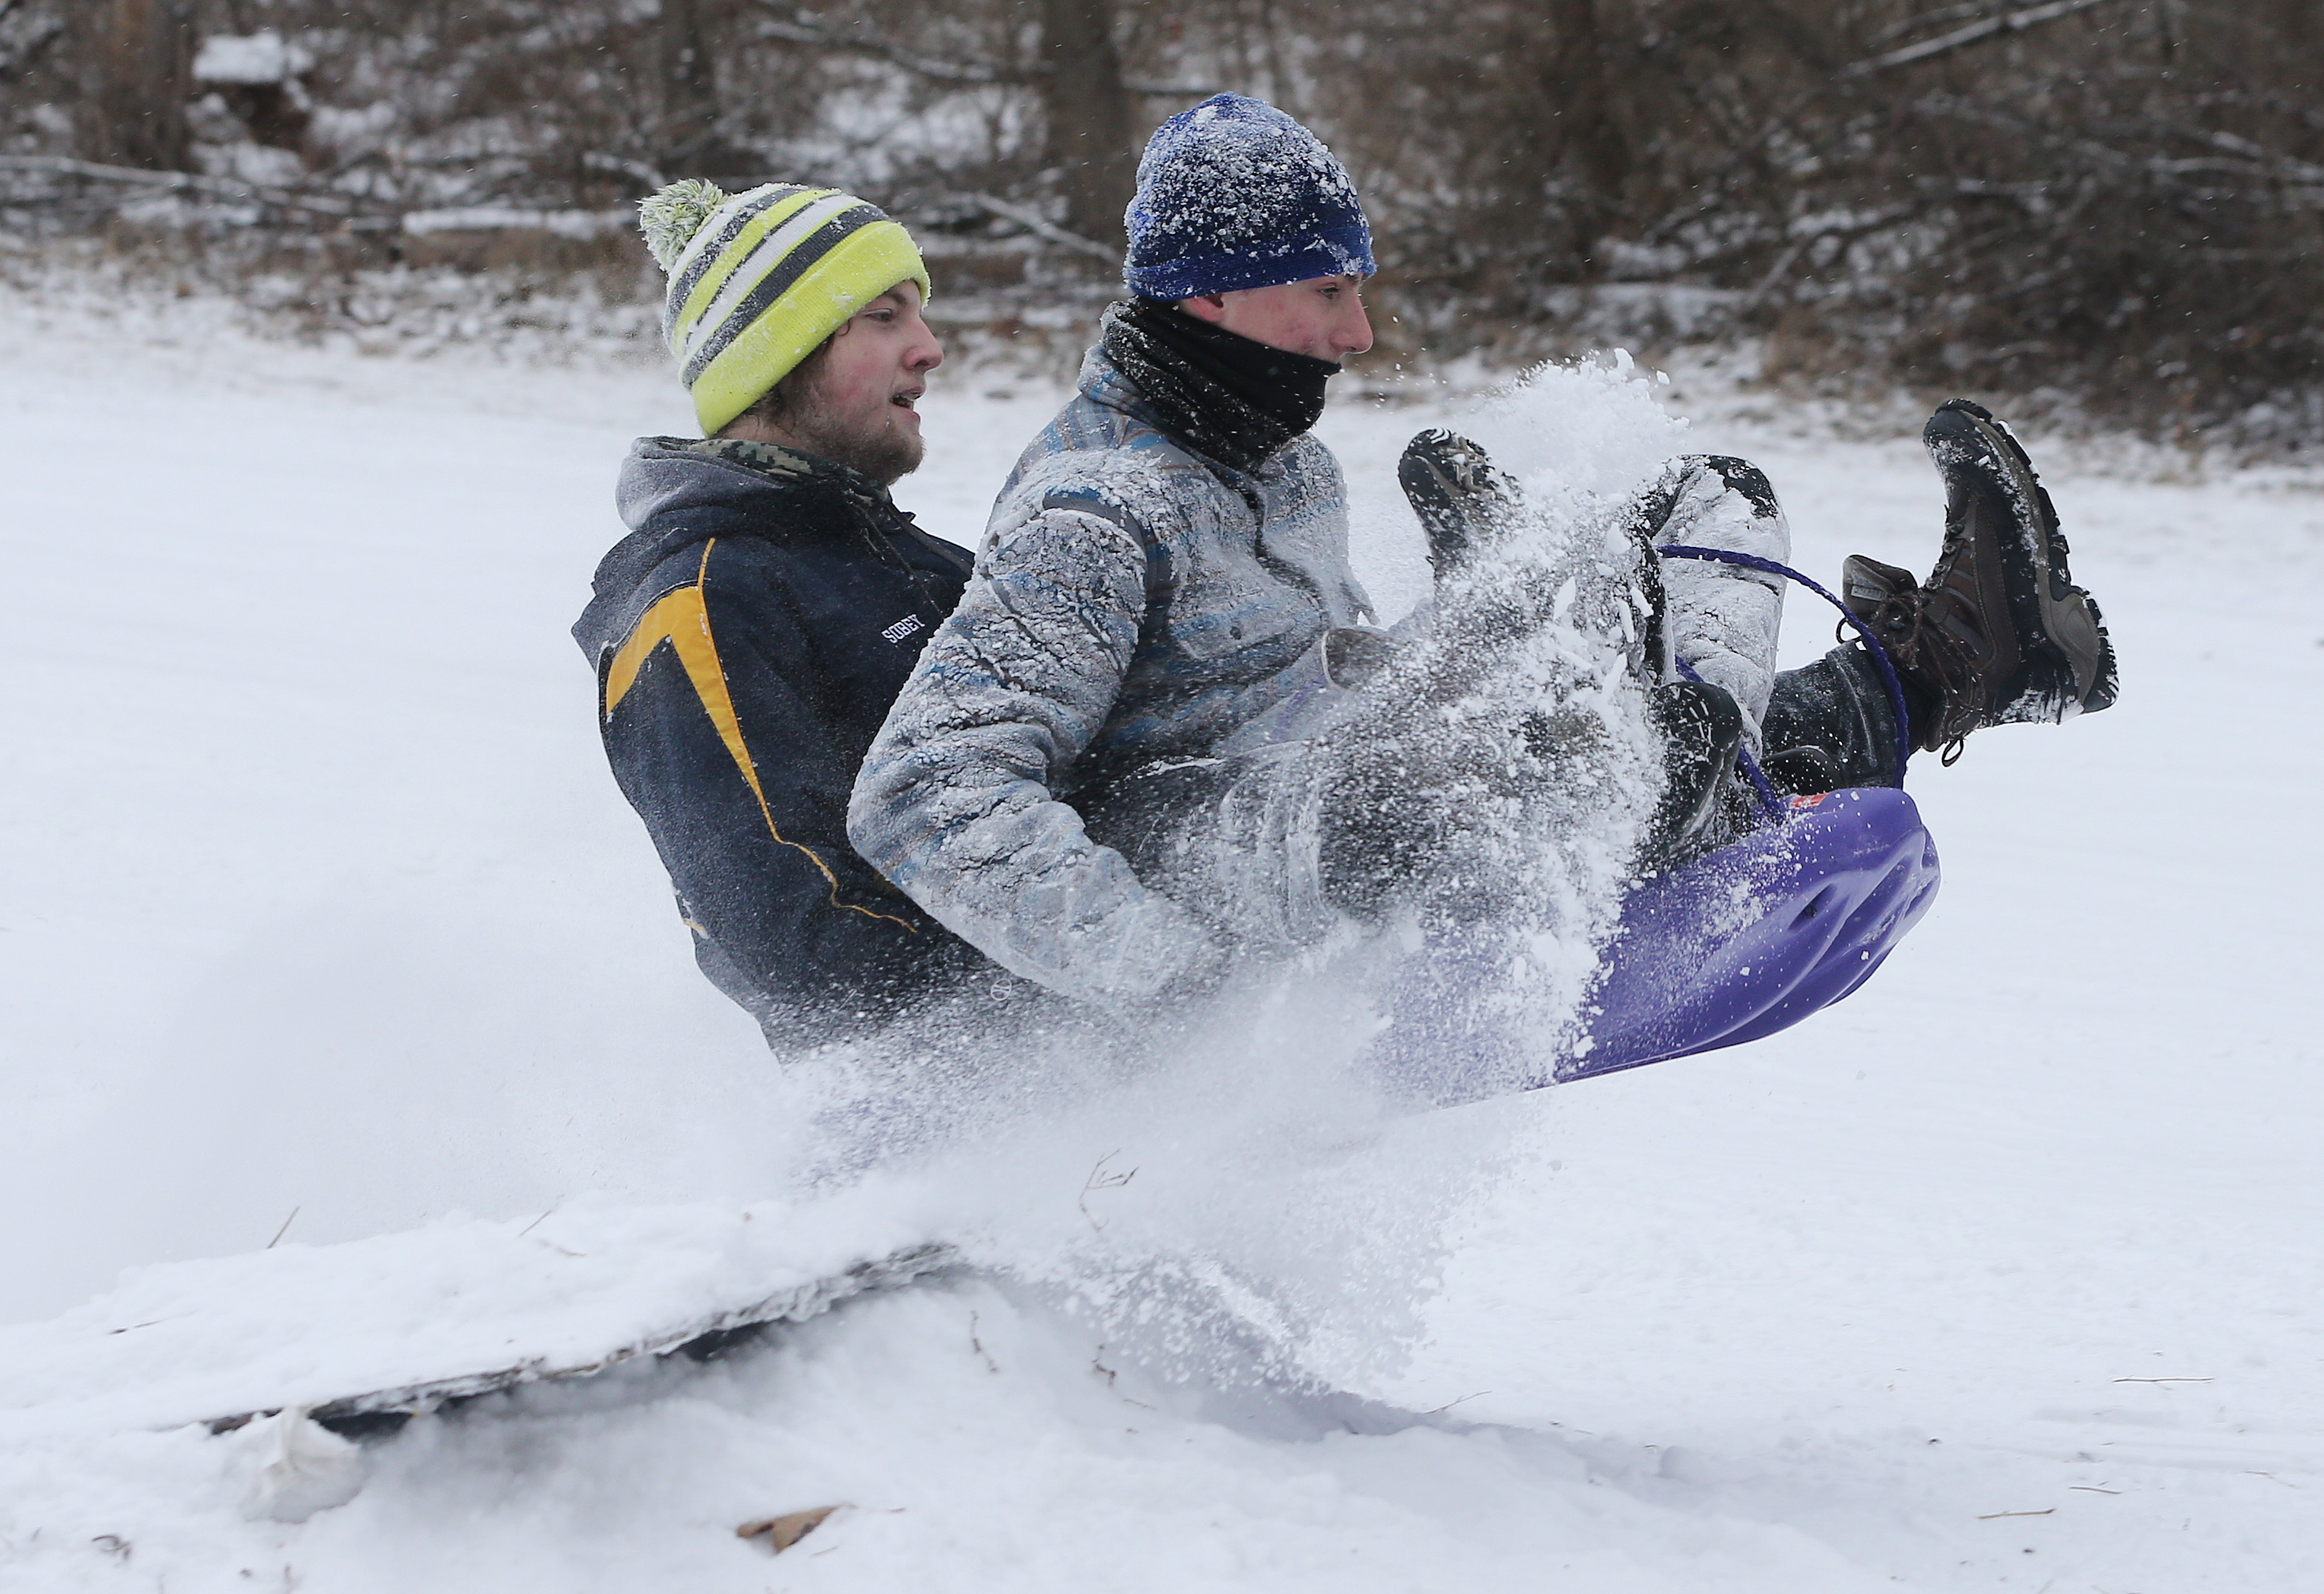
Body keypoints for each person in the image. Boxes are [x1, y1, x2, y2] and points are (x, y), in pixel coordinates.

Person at [846, 94, 2119, 1016]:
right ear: (1210, 299)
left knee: (1710, 501)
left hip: (1345, 784)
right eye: (1325, 292)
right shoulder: (1093, 514)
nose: (1356, 331)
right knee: (1531, 749)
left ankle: (1970, 654)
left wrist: (1458, 641)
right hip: (1217, 855)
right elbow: (927, 793)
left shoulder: (1267, 458)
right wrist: (1176, 987)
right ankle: (1673, 762)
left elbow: (1299, 683)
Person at [573, 179, 1004, 1045]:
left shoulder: (919, 562)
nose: (929, 348)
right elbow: (781, 927)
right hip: (978, 1125)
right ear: (778, 351)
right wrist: (1070, 1011)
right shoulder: (697, 601)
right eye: (884, 316)